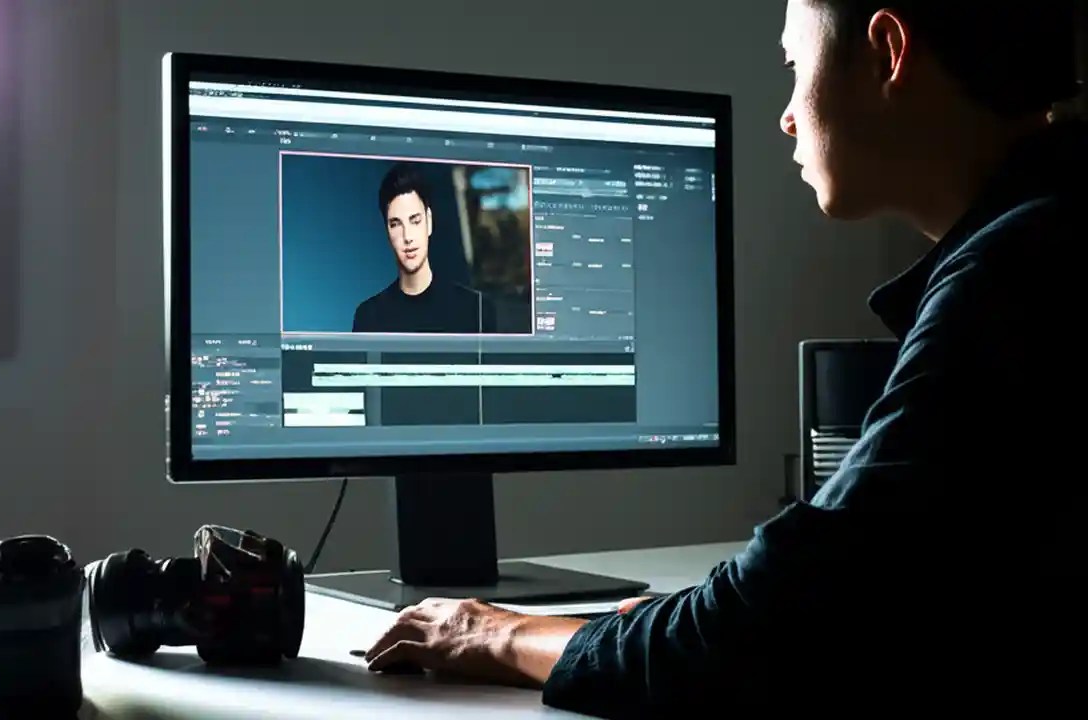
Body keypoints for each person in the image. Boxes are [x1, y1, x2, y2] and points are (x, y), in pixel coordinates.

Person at [363, 0, 1084, 714]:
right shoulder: (1049, 236)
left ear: (888, 52)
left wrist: (496, 633)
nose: (788, 115)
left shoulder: (1015, 280)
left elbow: (759, 633)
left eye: (794, 66)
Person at [352, 162, 497, 334]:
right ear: (387, 232)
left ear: (429, 221)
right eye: (396, 224)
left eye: (415, 221)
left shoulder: (476, 310)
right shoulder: (369, 317)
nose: (407, 237)